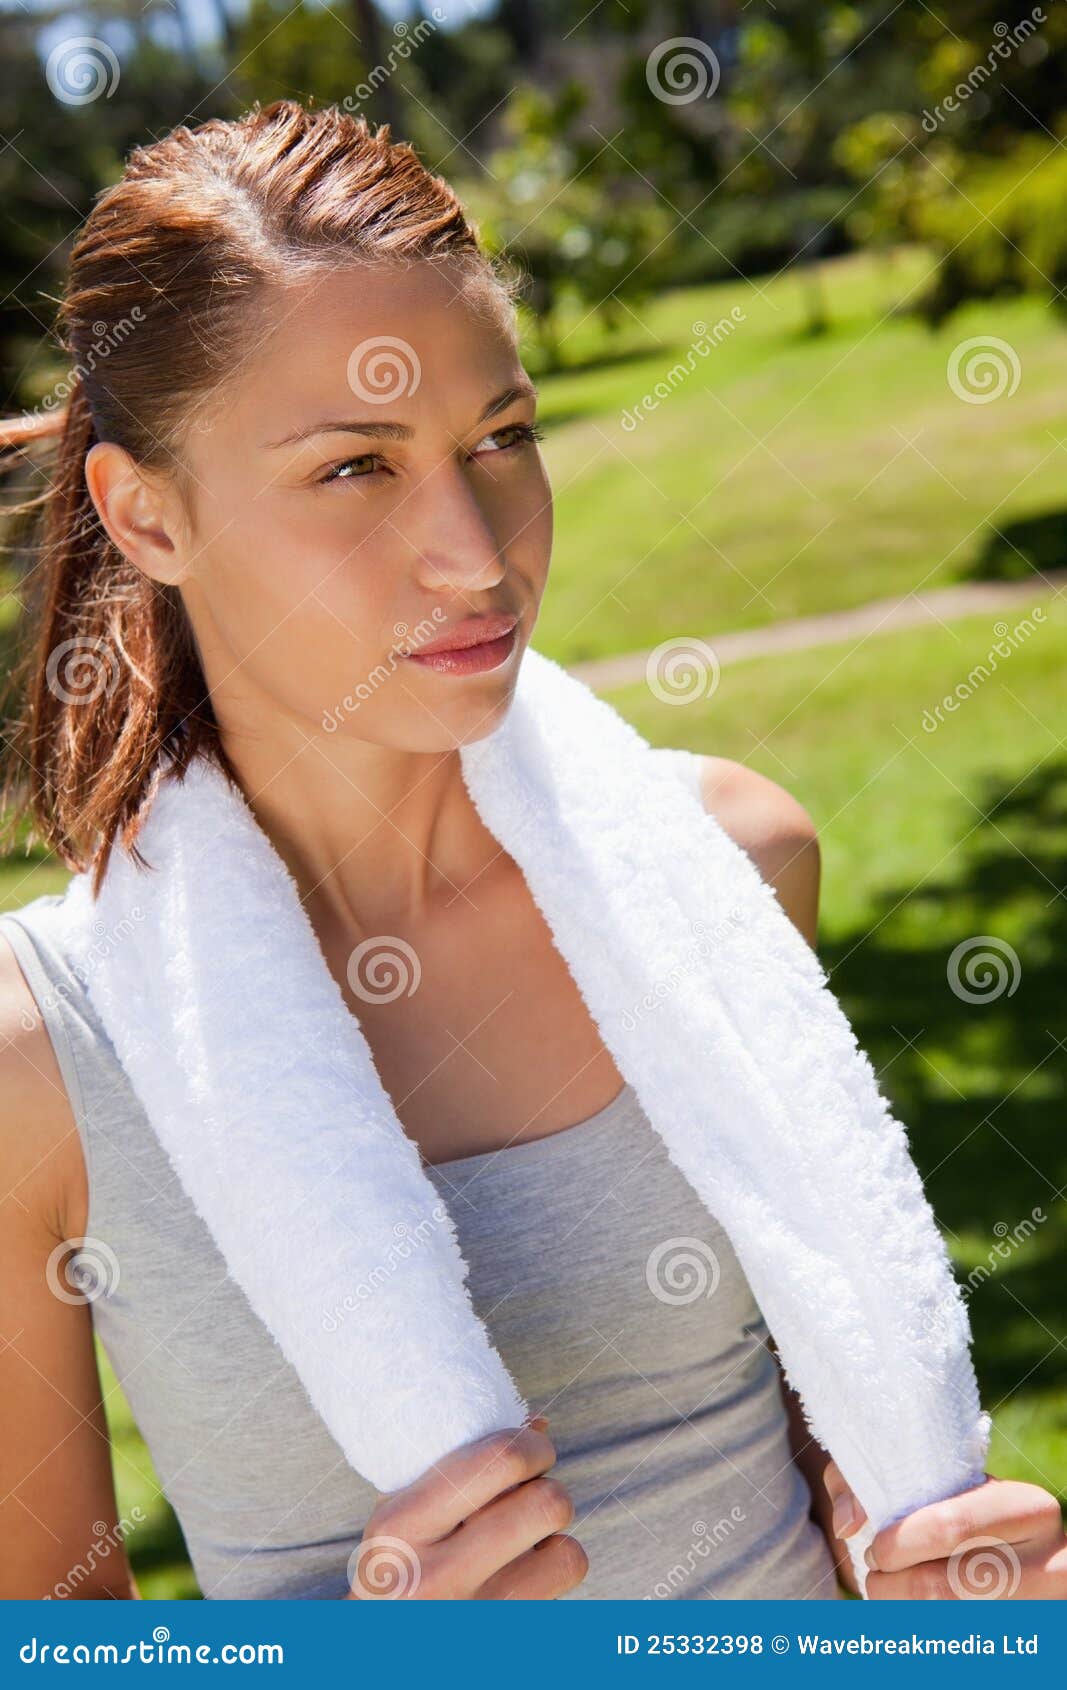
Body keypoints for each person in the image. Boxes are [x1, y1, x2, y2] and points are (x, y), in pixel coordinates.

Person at [1, 98, 1063, 1603]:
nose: (478, 550)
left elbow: (824, 1437)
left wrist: (945, 1565)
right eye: (357, 467)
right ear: (146, 514)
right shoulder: (41, 1058)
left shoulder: (733, 862)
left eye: (501, 437)